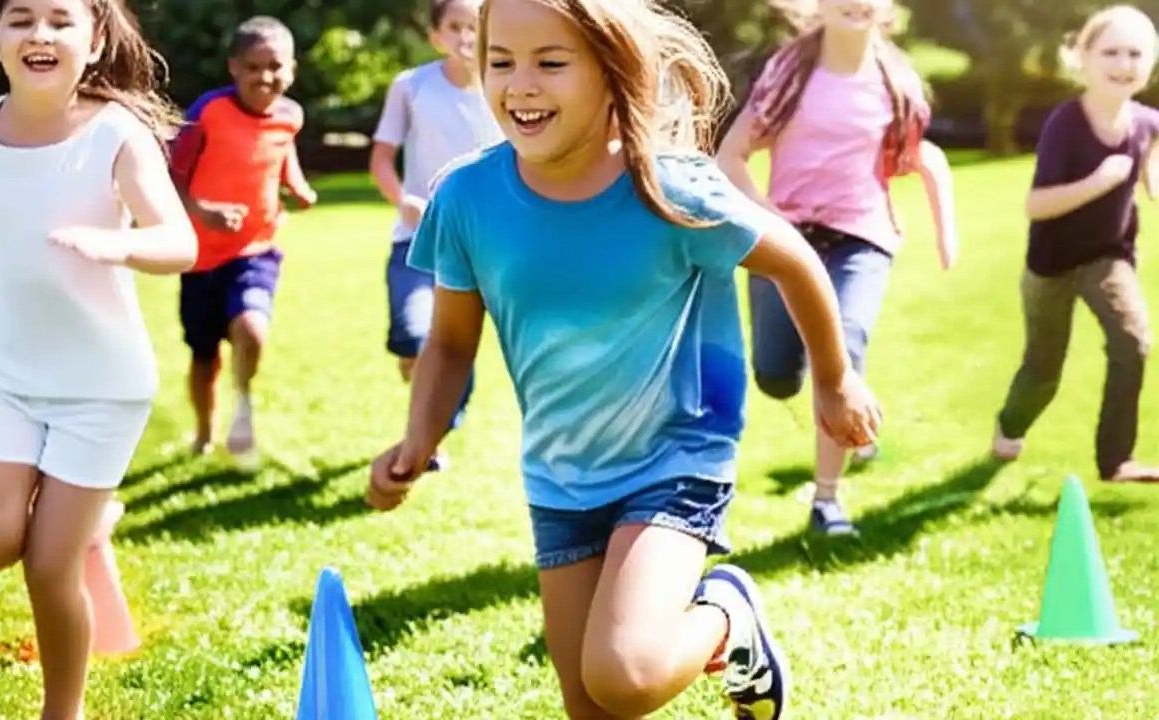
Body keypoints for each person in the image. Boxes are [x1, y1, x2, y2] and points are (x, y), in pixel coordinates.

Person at [366, 0, 883, 717]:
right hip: (560, 473)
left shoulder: (667, 189)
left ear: (612, 70)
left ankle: (728, 614)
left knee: (626, 676)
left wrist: (834, 378)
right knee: (589, 706)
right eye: (500, 62)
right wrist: (421, 437)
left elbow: (793, 259)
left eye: (550, 63)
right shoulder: (466, 197)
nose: (520, 85)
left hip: (677, 460)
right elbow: (452, 339)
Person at [0, 0, 197, 717]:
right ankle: (84, 518)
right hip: (13, 378)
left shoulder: (116, 134)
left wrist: (118, 244)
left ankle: (64, 709)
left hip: (103, 387)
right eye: (21, 19)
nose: (40, 34)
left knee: (48, 566)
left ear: (94, 42)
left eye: (61, 19)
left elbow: (179, 242)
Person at [716, 0, 957, 536]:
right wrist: (770, 221)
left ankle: (827, 502)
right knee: (777, 377)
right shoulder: (789, 72)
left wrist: (947, 229)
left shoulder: (896, 79)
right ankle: (854, 426)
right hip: (787, 240)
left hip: (860, 239)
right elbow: (730, 156)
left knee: (845, 348)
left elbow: (925, 157)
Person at [992, 4, 1159, 484]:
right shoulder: (1065, 124)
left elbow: (1149, 175)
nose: (1124, 63)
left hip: (1109, 257)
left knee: (1134, 343)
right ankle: (1010, 424)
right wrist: (1100, 181)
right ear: (1082, 57)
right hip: (1050, 266)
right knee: (1044, 371)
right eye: (1111, 51)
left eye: (1136, 53)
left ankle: (1117, 461)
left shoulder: (1147, 122)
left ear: (1150, 63)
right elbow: (1036, 206)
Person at [169, 15, 317, 457]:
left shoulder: (291, 116)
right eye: (253, 67)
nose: (265, 77)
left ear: (291, 69)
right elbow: (172, 174)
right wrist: (202, 211)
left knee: (252, 328)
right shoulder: (208, 112)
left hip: (256, 247)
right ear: (234, 68)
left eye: (275, 67)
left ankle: (244, 402)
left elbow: (282, 150)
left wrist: (297, 184)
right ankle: (203, 431)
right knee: (203, 355)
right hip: (200, 255)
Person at [369, 0, 504, 469]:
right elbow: (382, 159)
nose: (466, 35)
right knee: (413, 337)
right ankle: (425, 412)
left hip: (481, 245)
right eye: (454, 26)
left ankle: (428, 434)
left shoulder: (503, 87)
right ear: (435, 36)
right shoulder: (411, 86)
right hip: (416, 238)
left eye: (475, 26)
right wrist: (402, 199)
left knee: (451, 346)